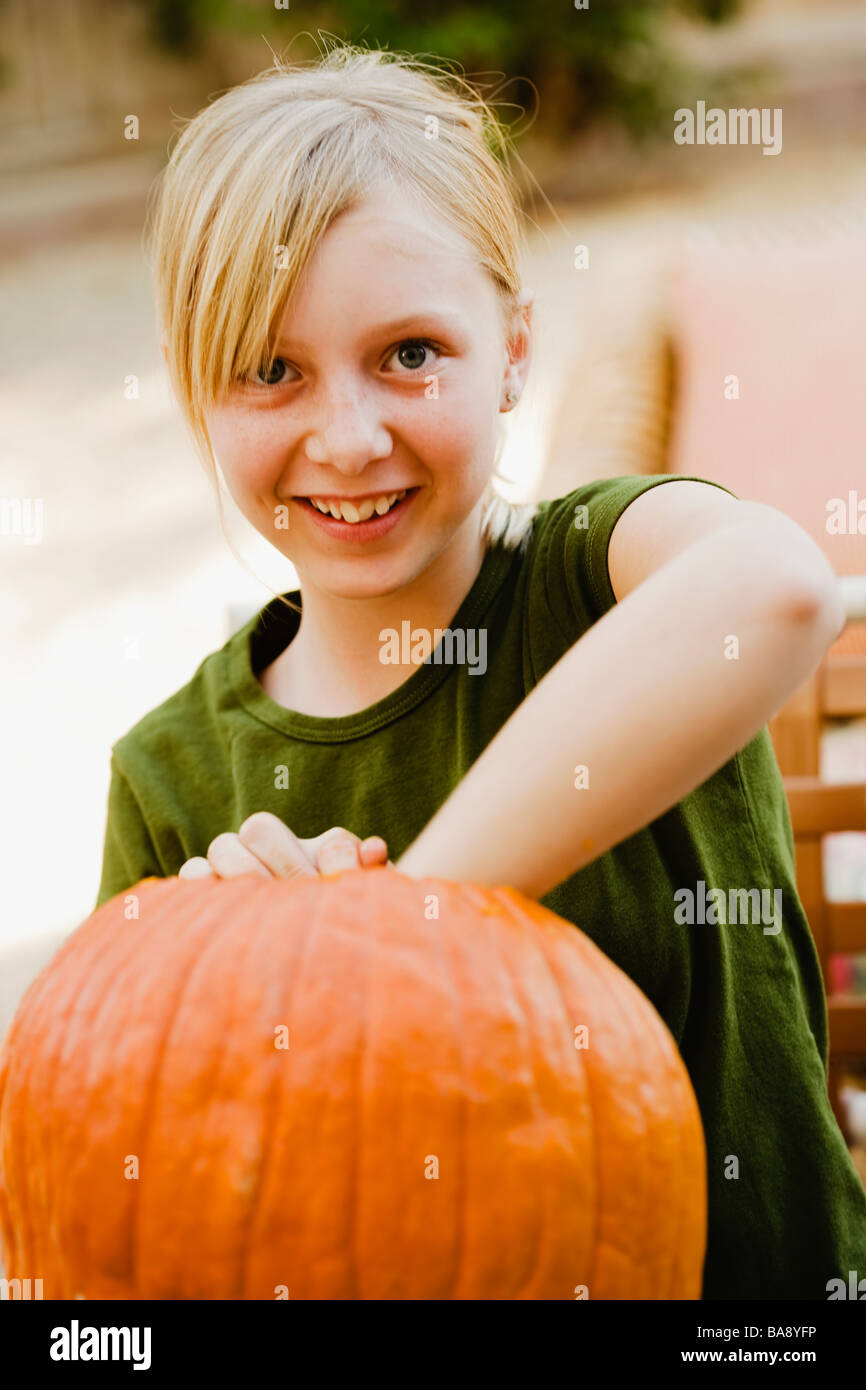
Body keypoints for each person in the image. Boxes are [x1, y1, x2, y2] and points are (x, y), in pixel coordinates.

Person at [96, 41, 866, 1300]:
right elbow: (148, 1205)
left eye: (409, 352)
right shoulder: (173, 776)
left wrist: (386, 934)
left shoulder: (604, 575)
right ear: (198, 400)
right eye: (270, 370)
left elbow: (776, 590)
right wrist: (232, 987)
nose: (346, 437)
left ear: (511, 351)